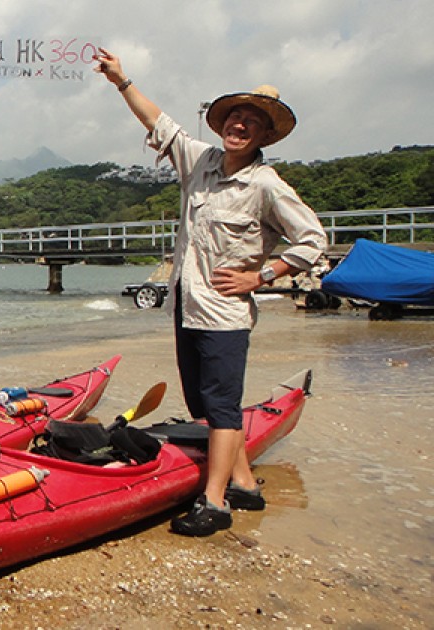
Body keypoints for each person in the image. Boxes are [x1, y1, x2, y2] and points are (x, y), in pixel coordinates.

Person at [93, 48, 327, 536]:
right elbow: (162, 124)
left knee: (221, 410)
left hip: (224, 315)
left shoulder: (265, 185)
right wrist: (121, 81)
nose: (238, 126)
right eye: (234, 117)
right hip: (186, 306)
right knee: (204, 407)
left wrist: (262, 276)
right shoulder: (201, 161)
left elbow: (313, 239)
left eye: (250, 123)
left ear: (265, 136)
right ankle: (243, 483)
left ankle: (215, 503)